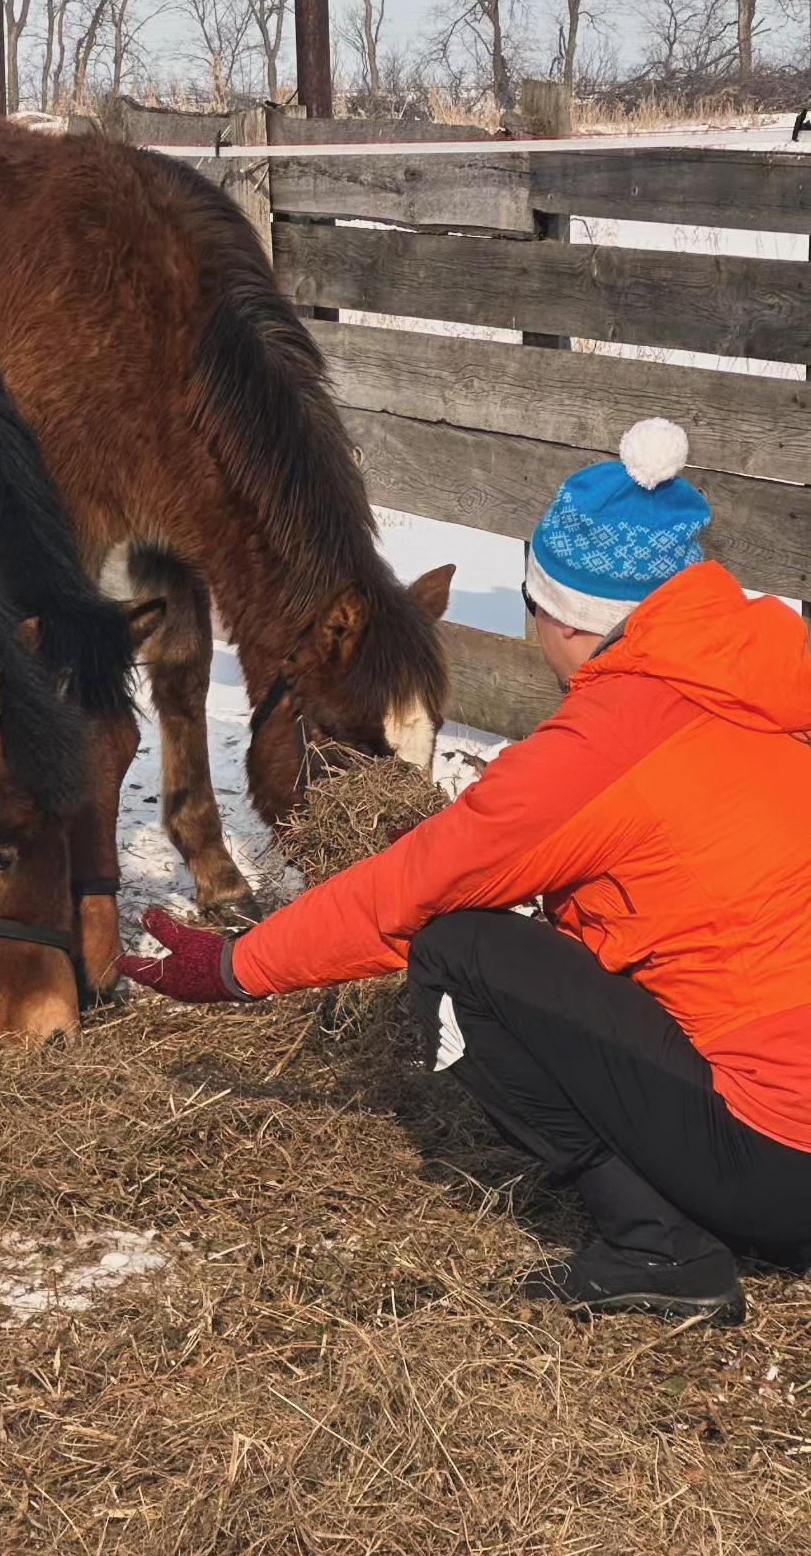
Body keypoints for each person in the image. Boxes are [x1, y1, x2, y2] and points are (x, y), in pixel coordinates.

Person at [120, 419, 811, 1326]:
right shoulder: (768, 683)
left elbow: (415, 886)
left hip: (777, 1161)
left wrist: (237, 967)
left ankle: (657, 1245)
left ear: (562, 616)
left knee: (458, 951)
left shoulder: (601, 749)